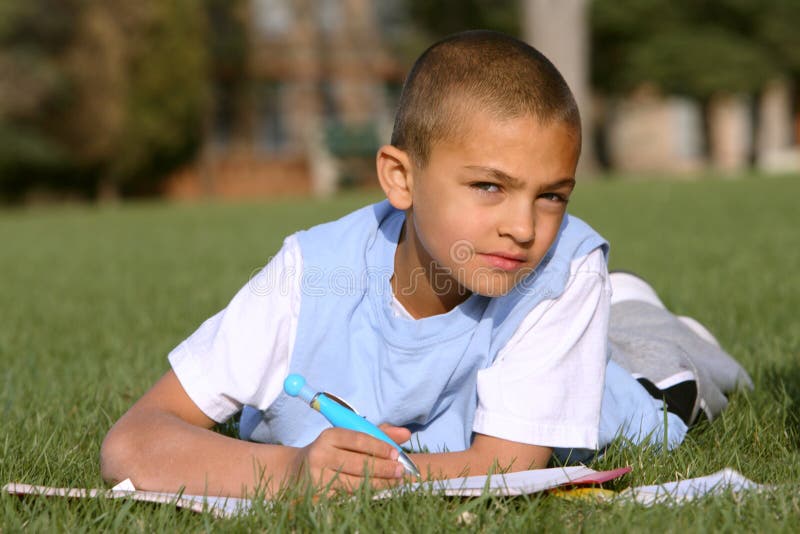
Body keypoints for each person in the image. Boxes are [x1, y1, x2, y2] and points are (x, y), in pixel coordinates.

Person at [100, 30, 750, 498]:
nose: (524, 228)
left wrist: (357, 479)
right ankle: (628, 305)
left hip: (627, 378)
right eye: (489, 187)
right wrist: (296, 472)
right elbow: (133, 441)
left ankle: (644, 315)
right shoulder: (309, 275)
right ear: (400, 179)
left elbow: (509, 464)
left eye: (551, 196)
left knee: (671, 371)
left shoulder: (563, 266)